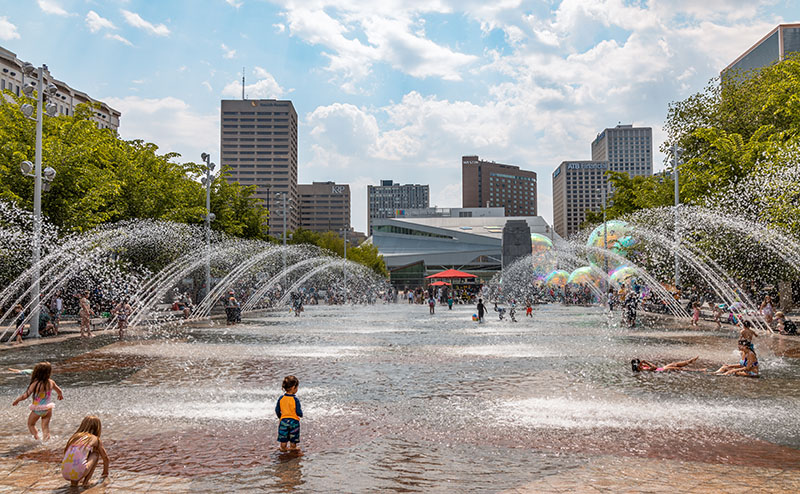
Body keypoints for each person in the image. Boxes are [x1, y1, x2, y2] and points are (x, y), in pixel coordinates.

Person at [11, 361, 63, 440]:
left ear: (36, 372)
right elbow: (59, 390)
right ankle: (46, 442)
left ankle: (37, 437)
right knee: (45, 427)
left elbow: (26, 395)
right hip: (48, 409)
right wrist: (60, 395)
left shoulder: (35, 384)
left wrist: (17, 400)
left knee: (31, 424)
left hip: (37, 409)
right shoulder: (51, 382)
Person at [61, 415, 109, 487]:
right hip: (79, 472)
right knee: (95, 454)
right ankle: (85, 482)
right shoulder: (95, 439)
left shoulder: (74, 437)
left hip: (65, 472)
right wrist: (105, 473)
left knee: (79, 457)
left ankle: (74, 484)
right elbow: (105, 458)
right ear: (97, 428)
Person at [275, 375, 303, 453]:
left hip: (283, 421)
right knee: (293, 439)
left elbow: (277, 410)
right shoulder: (295, 399)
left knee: (283, 439)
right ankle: (293, 449)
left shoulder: (281, 398)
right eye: (297, 387)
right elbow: (298, 412)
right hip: (294, 422)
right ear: (294, 387)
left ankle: (283, 449)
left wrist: (280, 417)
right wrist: (301, 414)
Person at [630, 356, 705, 372]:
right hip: (662, 369)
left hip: (662, 367)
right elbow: (654, 367)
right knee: (681, 369)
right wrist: (645, 362)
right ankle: (700, 370)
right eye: (639, 363)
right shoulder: (644, 369)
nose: (641, 363)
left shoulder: (643, 367)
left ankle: (689, 361)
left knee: (675, 364)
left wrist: (644, 363)